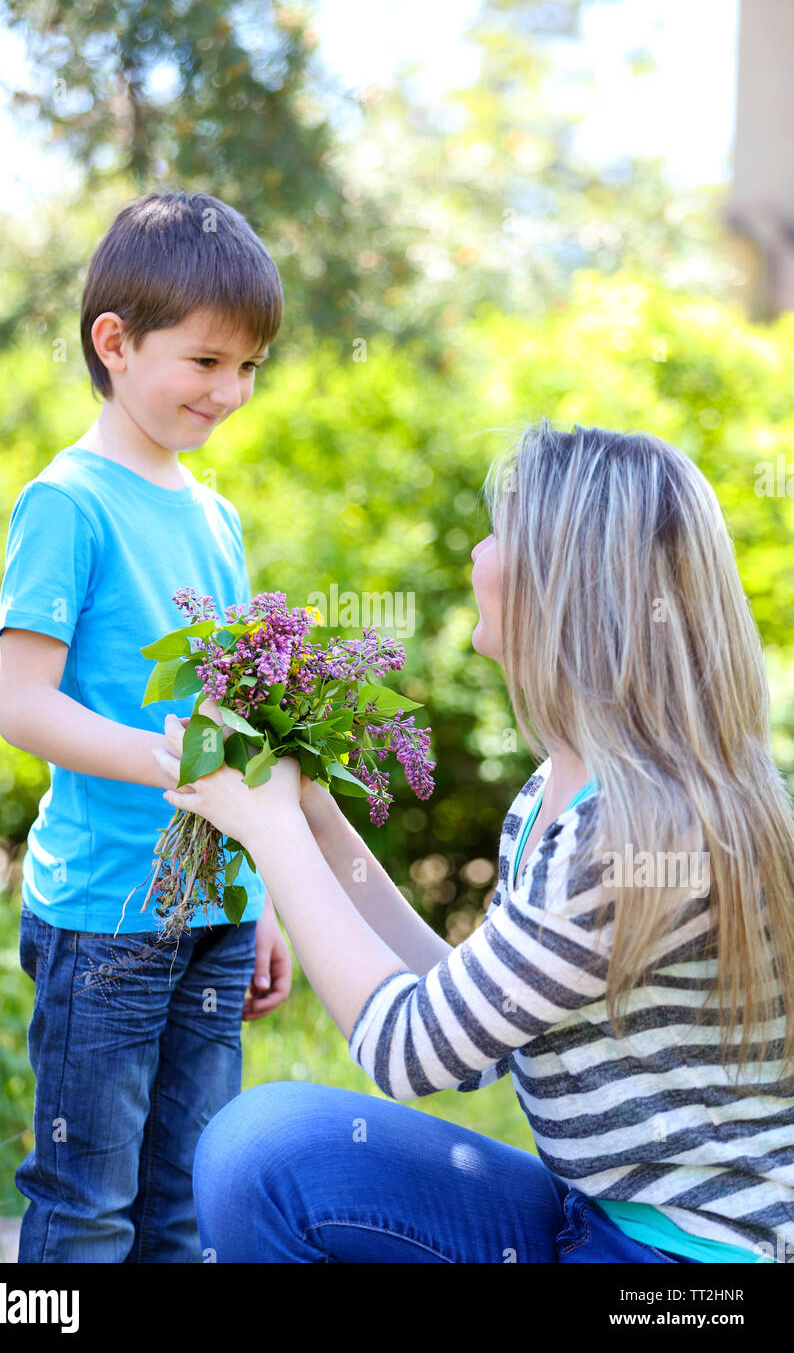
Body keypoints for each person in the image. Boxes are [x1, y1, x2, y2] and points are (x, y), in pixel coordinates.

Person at [151, 420, 794, 1264]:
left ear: (563, 581)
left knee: (264, 1152)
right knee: (265, 1149)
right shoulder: (563, 787)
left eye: (500, 532)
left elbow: (409, 1052)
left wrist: (270, 831)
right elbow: (467, 1029)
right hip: (585, 1213)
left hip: (681, 1266)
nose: (479, 552)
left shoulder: (638, 829)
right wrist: (315, 816)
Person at [0, 189, 292, 1263]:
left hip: (212, 903)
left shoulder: (216, 519)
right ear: (113, 343)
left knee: (187, 1206)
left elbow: (236, 718)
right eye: (206, 361)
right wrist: (166, 763)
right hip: (108, 918)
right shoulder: (67, 501)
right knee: (86, 1207)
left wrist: (258, 894)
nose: (230, 391)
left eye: (248, 366)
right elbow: (21, 704)